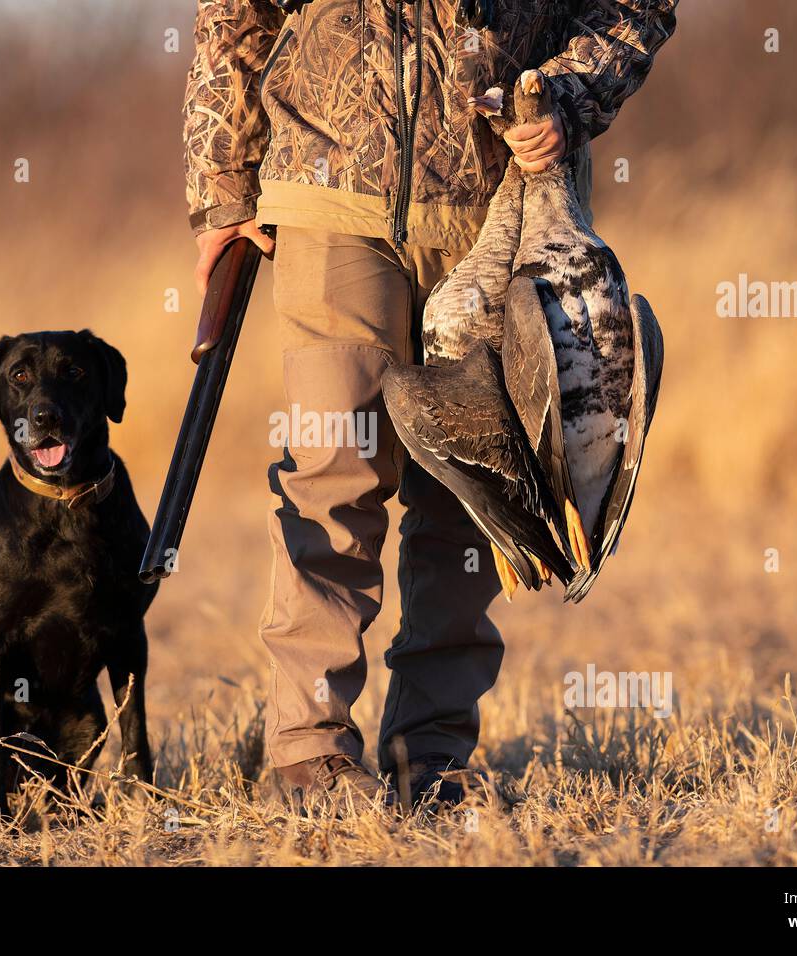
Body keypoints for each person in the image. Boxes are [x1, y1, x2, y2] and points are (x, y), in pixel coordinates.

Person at [183, 0, 678, 806]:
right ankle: (309, 755)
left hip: (508, 205)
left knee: (470, 492)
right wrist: (223, 184)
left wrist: (565, 91)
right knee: (334, 467)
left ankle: (434, 760)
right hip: (327, 187)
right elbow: (237, 11)